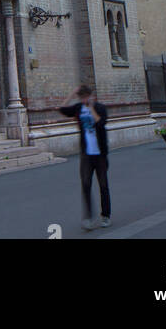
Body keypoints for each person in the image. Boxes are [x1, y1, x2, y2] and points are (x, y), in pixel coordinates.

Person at [58, 83, 111, 231]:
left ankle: (105, 215)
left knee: (103, 185)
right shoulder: (78, 108)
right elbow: (62, 109)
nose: (83, 100)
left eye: (85, 97)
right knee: (86, 185)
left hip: (100, 154)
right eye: (81, 98)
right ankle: (88, 217)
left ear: (91, 96)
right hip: (86, 154)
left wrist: (91, 107)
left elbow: (100, 123)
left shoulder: (100, 108)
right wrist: (71, 94)